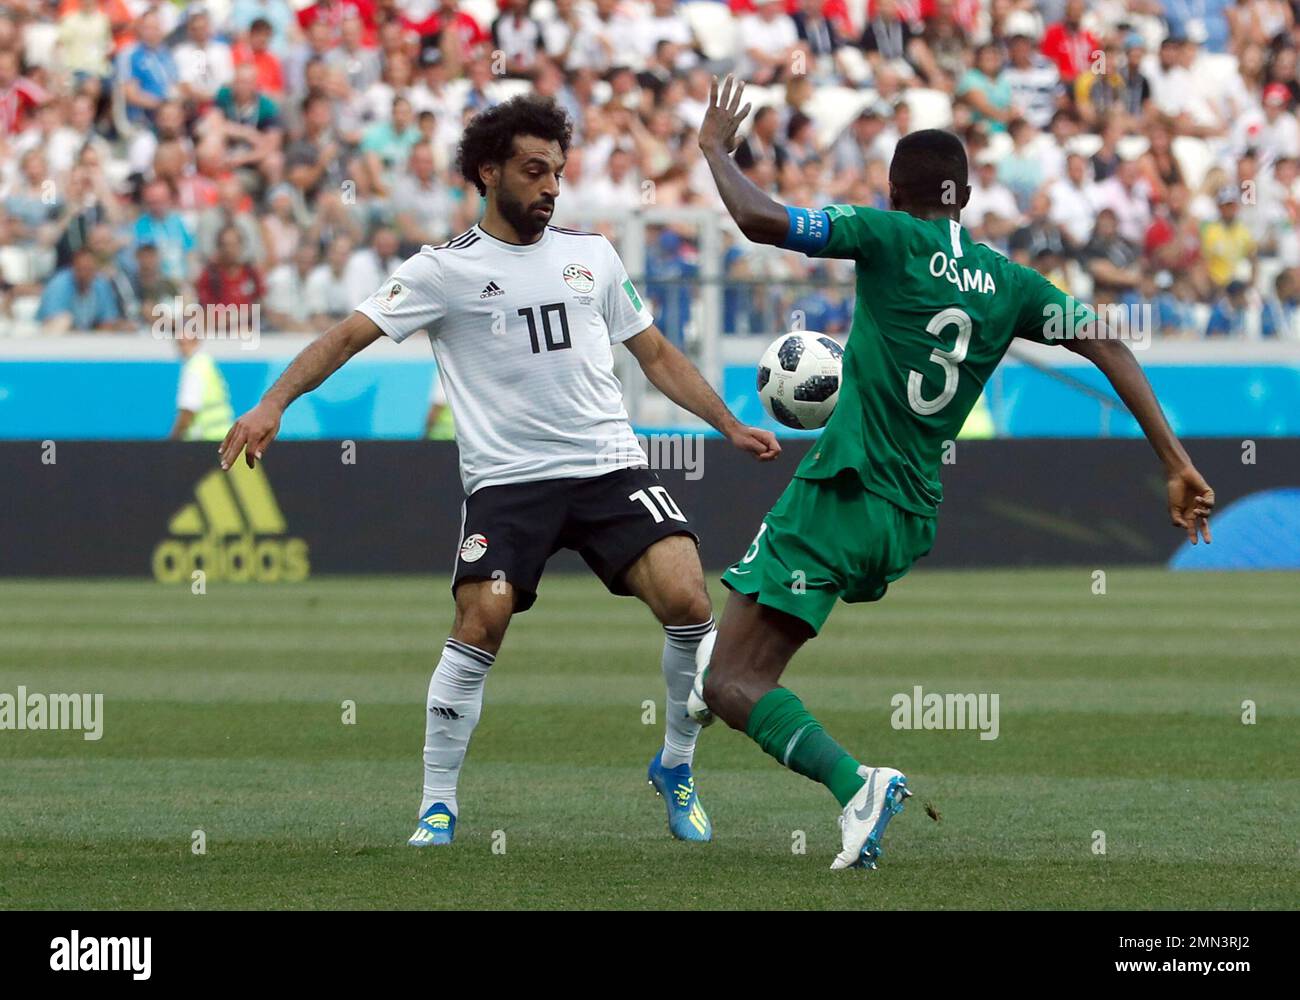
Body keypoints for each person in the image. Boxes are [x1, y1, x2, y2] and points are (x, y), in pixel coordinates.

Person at [218, 95, 780, 848]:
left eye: (557, 172)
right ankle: (438, 805)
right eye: (534, 171)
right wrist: (272, 402)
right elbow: (346, 336)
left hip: (610, 466)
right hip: (510, 482)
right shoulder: (442, 270)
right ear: (488, 172)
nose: (551, 187)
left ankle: (676, 765)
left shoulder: (594, 257)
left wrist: (729, 423)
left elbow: (655, 354)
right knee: (479, 621)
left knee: (687, 597)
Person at [693, 75, 1215, 871]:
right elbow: (1108, 339)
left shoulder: (886, 236)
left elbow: (762, 219)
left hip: (845, 488)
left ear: (894, 194)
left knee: (730, 681)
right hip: (906, 521)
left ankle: (856, 785)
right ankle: (726, 747)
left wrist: (712, 151)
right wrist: (1176, 463)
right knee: (734, 671)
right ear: (965, 195)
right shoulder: (1011, 284)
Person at [171, 329, 235, 441]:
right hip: (223, 435)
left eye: (183, 343)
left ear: (196, 341)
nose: (181, 348)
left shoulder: (194, 368)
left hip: (204, 439)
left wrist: (173, 439)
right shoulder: (206, 362)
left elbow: (188, 409)